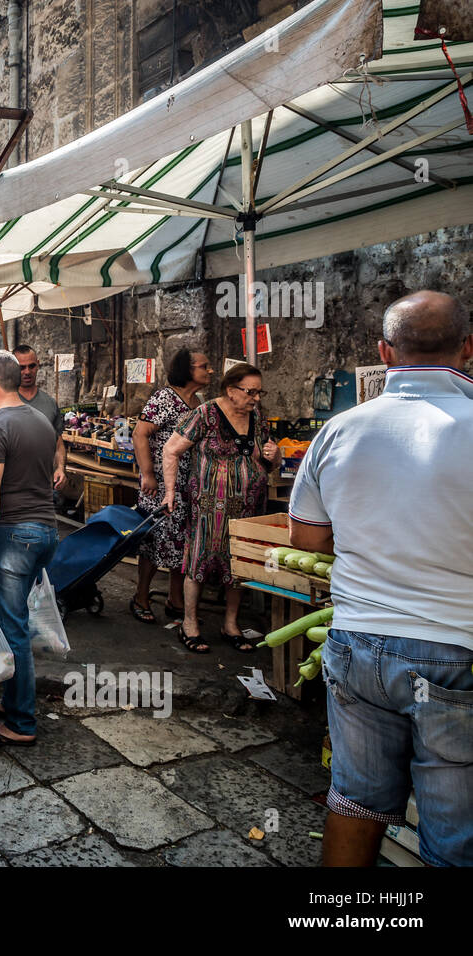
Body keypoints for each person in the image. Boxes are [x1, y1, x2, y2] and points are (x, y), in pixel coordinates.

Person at [289, 291, 473, 867]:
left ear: (383, 352)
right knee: (455, 827)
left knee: (356, 801)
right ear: (468, 348)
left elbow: (308, 538)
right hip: (453, 652)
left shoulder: (341, 429)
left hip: (356, 646)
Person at [0, 350, 59, 748]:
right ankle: (11, 702)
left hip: (14, 536)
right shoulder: (39, 419)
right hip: (45, 532)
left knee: (13, 631)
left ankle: (21, 723)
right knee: (16, 624)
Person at [162, 362, 281, 653]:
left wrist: (275, 455)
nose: (256, 398)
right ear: (231, 390)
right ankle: (190, 624)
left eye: (259, 392)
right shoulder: (206, 414)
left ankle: (231, 623)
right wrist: (169, 492)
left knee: (237, 565)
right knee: (197, 562)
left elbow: (268, 460)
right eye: (250, 392)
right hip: (207, 508)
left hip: (248, 508)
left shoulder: (258, 418)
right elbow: (171, 449)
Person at [130, 349, 212, 624]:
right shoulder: (165, 398)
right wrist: (148, 475)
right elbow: (139, 434)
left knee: (183, 544)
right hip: (162, 487)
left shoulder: (197, 401)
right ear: (188, 370)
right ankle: (141, 596)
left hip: (189, 487)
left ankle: (175, 600)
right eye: (204, 366)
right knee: (154, 544)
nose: (209, 371)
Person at [0, 344, 67, 494]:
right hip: (9, 492)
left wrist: (60, 468)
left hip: (43, 490)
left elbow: (58, 443)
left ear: (38, 365)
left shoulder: (49, 404)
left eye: (31, 366)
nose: (27, 372)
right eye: (21, 367)